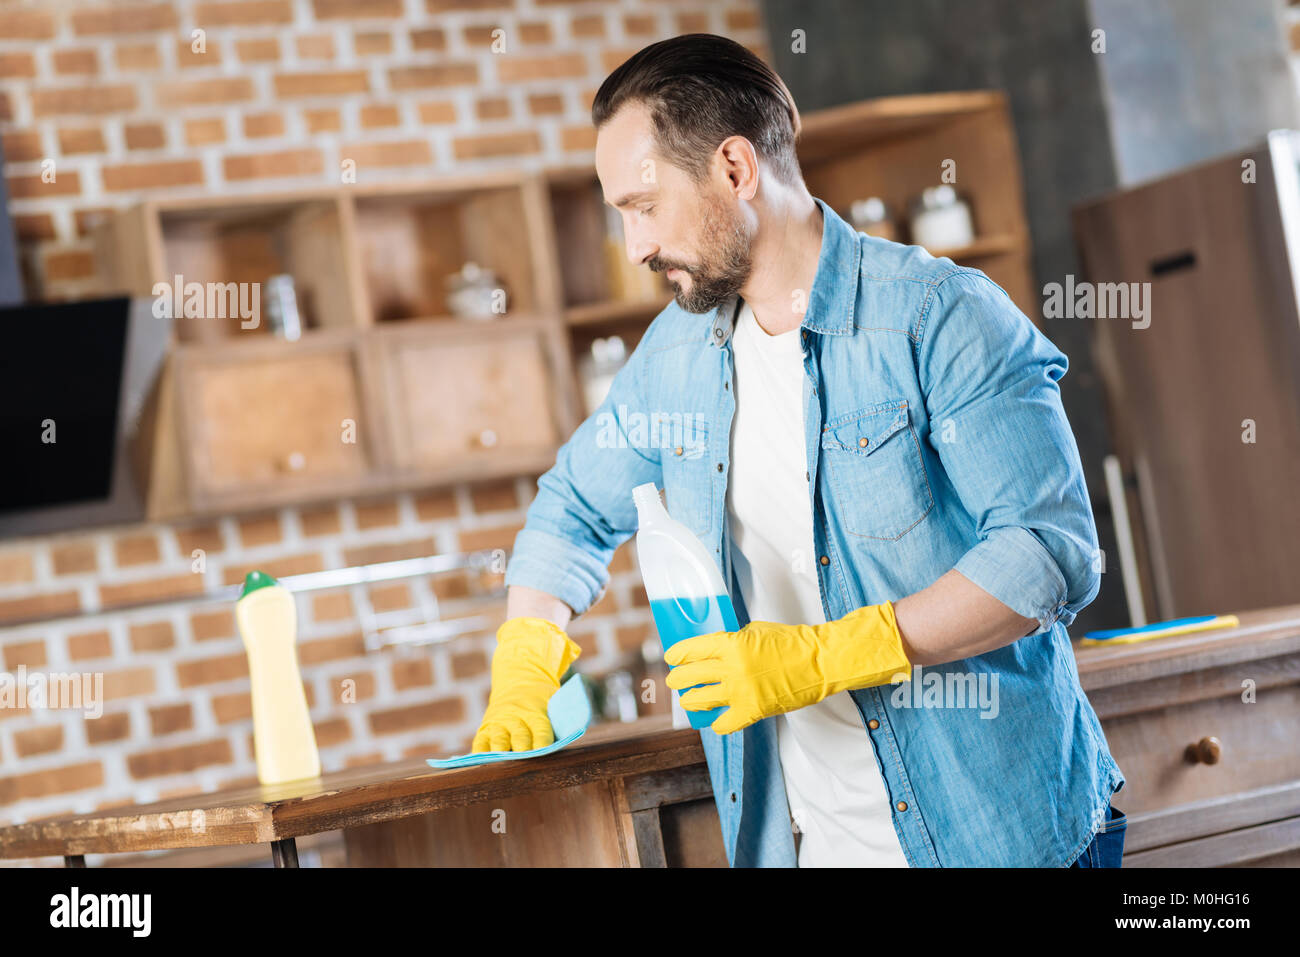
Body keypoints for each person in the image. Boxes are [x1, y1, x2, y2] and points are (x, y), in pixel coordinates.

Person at [472, 33, 1125, 868]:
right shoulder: (674, 360)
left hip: (1003, 838)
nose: (634, 246)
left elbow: (1046, 554)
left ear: (735, 169)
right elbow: (570, 507)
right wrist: (529, 652)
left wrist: (831, 655)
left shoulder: (939, 316)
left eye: (642, 206)